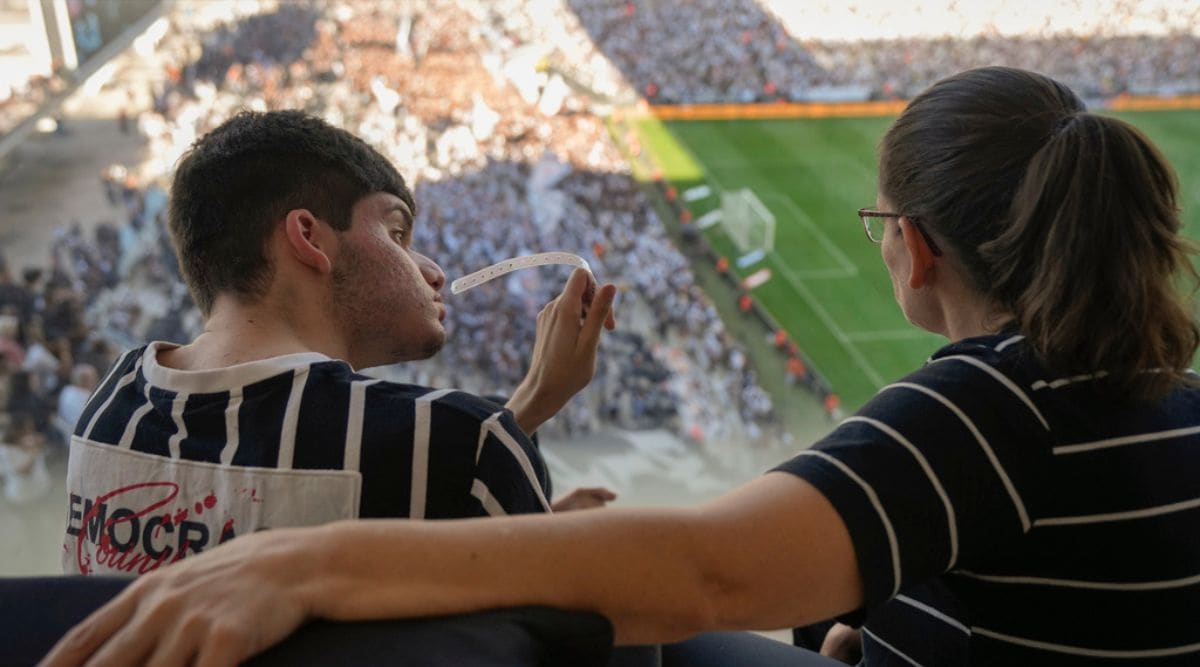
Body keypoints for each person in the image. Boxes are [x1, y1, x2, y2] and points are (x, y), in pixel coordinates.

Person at [43, 67, 1200, 666]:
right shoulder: (1124, 400)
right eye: (399, 227)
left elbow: (706, 571)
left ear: (915, 246)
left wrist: (304, 564)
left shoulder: (994, 403)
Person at [58, 110, 618, 577]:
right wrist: (524, 502)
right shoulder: (461, 447)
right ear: (308, 237)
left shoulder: (109, 410)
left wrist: (518, 436)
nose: (434, 271)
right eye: (397, 233)